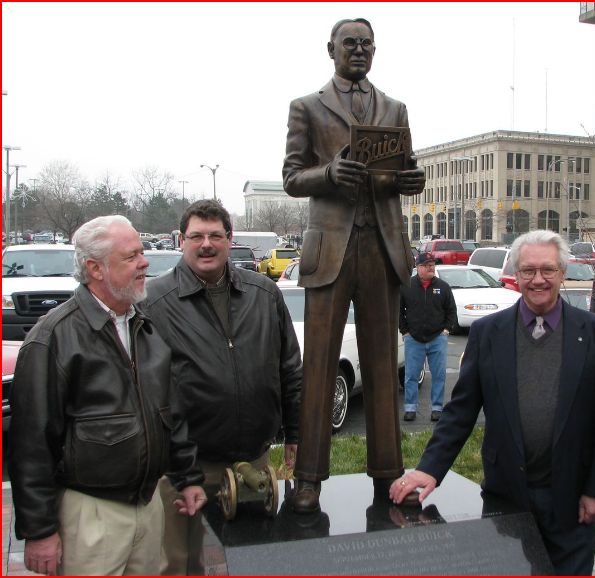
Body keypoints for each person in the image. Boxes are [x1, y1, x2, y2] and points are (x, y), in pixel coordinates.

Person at [390, 230, 595, 575]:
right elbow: (461, 410)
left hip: (572, 500)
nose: (538, 279)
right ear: (515, 274)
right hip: (506, 493)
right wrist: (430, 468)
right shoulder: (488, 333)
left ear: (562, 272)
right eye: (528, 271)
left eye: (548, 270)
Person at [282, 17, 425, 513]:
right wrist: (328, 173)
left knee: (383, 363)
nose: (358, 50)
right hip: (331, 250)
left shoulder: (394, 107)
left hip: (381, 247)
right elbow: (292, 177)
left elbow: (398, 171)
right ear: (331, 49)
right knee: (319, 364)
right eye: (350, 43)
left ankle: (388, 470)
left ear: (375, 50)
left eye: (366, 44)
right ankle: (308, 479)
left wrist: (408, 181)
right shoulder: (306, 107)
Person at [9, 215, 205, 576]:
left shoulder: (146, 326)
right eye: (131, 256)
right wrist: (40, 532)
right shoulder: (53, 338)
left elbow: (169, 412)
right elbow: (31, 444)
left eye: (142, 252)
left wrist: (187, 477)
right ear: (95, 269)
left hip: (148, 507)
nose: (145, 262)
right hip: (90, 514)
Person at [143, 200, 303, 574]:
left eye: (216, 235)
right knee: (181, 562)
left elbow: (289, 369)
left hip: (254, 459)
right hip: (186, 466)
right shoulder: (154, 302)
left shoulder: (264, 294)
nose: (206, 244)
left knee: (258, 557)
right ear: (181, 240)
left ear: (230, 240)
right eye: (196, 236)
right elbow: (146, 389)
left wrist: (295, 432)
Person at [399, 253, 457, 422]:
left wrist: (446, 330)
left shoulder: (443, 287)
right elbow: (398, 311)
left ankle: (437, 408)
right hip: (413, 340)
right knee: (411, 376)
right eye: (427, 264)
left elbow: (451, 311)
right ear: (418, 267)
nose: (431, 267)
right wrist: (405, 332)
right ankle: (410, 408)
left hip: (437, 339)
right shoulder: (407, 286)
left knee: (439, 375)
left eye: (432, 264)